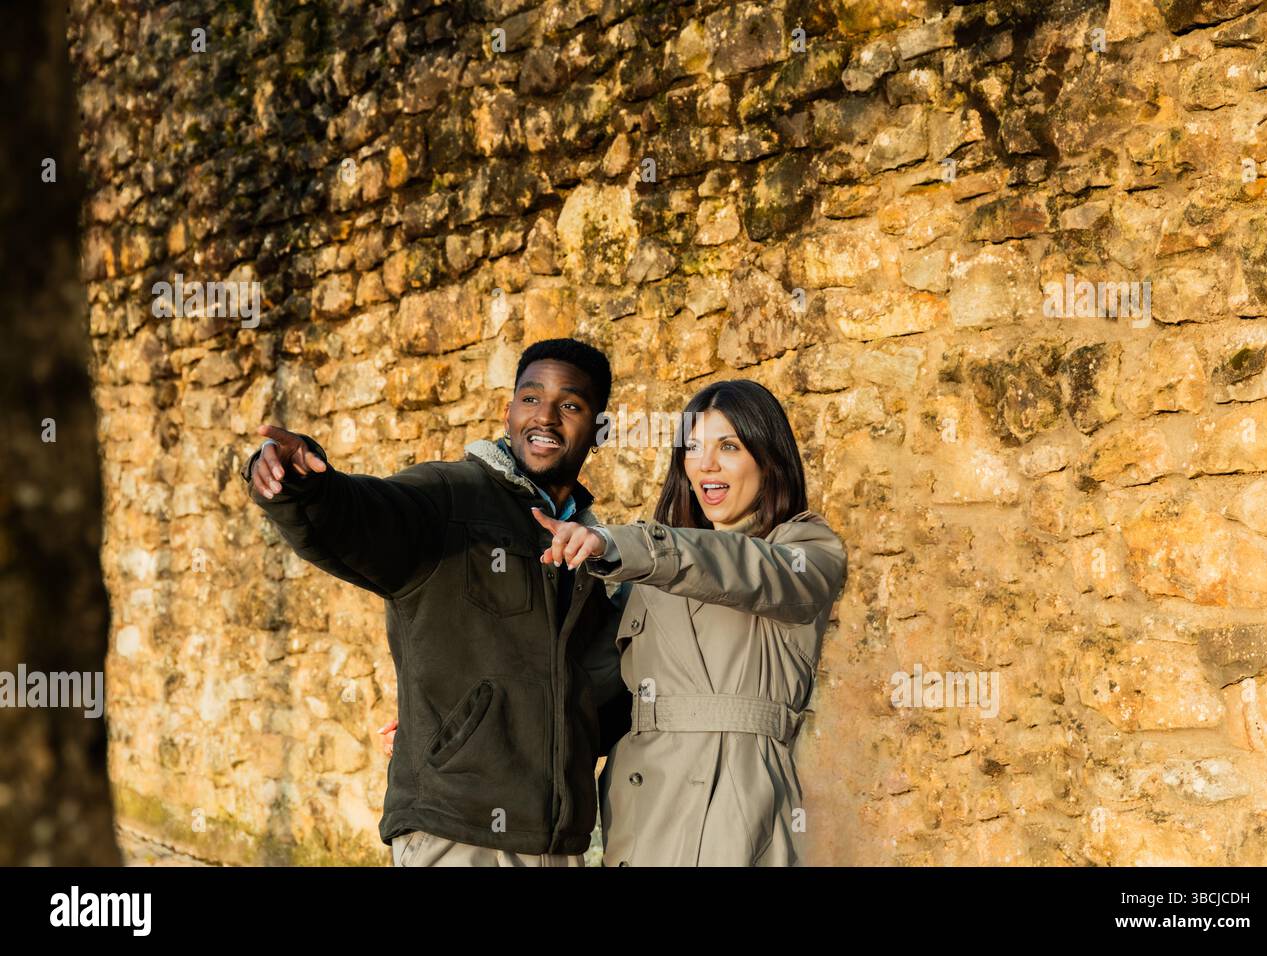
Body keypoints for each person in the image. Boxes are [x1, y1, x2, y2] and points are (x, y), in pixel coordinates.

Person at [242, 338, 631, 866]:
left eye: (570, 405)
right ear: (508, 411)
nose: (546, 417)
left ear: (599, 429)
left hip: (556, 842)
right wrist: (304, 485)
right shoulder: (448, 496)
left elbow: (599, 696)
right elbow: (363, 514)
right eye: (531, 398)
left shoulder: (593, 553)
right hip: (456, 831)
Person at [531, 379, 848, 865]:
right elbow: (584, 687)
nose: (706, 464)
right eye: (693, 448)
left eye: (729, 446)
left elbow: (743, 566)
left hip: (735, 801)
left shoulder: (806, 551)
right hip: (640, 803)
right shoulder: (649, 576)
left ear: (769, 458)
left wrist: (619, 543)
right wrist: (468, 722)